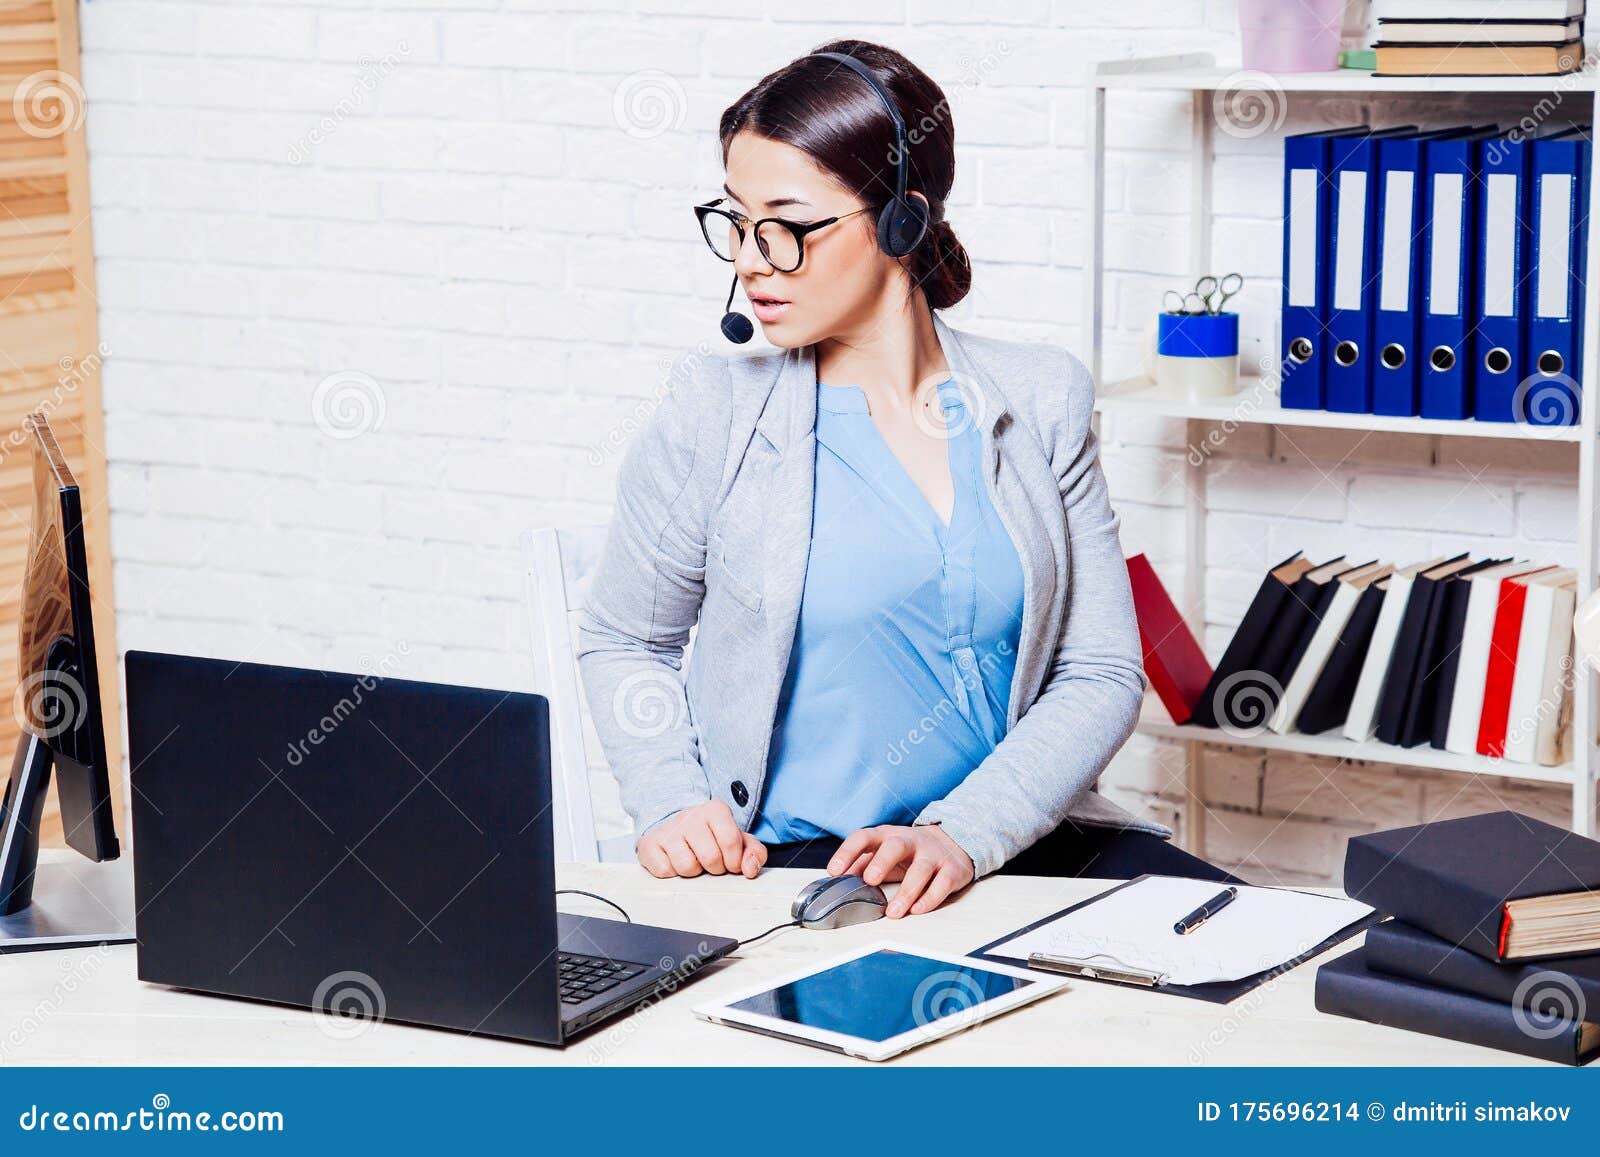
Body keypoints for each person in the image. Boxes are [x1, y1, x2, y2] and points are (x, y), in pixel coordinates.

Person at [577, 39, 1237, 919]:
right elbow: (624, 637)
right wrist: (669, 798)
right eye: (735, 220)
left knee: (1277, 957)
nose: (749, 259)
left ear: (901, 221)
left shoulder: (1039, 398)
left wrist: (966, 832)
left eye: (786, 224)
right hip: (803, 866)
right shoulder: (713, 412)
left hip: (1011, 841)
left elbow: (1101, 666)